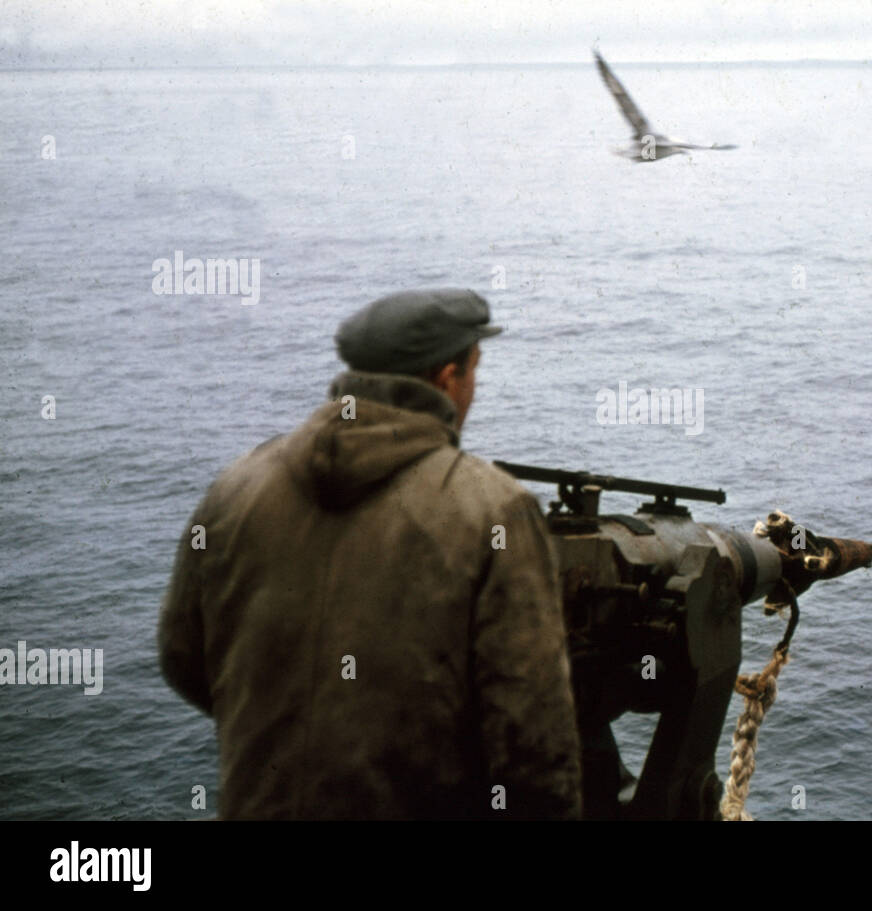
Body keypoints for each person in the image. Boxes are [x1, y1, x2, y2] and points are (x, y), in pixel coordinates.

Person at [157, 288, 582, 819]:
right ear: (448, 378)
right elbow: (533, 744)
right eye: (474, 370)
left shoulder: (235, 488)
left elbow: (182, 657)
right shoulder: (494, 510)